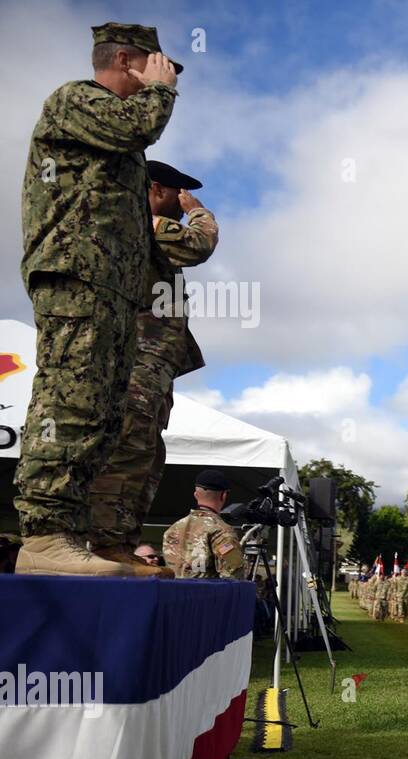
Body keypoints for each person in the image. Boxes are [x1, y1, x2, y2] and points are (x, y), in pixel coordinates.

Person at [14, 22, 180, 576]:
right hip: (75, 276)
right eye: (157, 63)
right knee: (71, 400)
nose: (167, 73)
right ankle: (43, 537)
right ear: (127, 58)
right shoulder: (75, 101)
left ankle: (87, 538)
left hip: (112, 290)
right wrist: (160, 91)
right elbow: (140, 126)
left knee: (107, 416)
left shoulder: (121, 144)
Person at [87, 161, 217, 573]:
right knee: (129, 452)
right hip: (138, 364)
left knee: (145, 455)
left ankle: (121, 545)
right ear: (157, 189)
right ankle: (108, 546)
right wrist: (198, 212)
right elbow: (198, 245)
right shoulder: (144, 220)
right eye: (178, 193)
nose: (183, 202)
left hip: (151, 369)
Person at [161, 468, 244, 579]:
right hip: (205, 595)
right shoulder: (221, 531)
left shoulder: (172, 529)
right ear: (223, 496)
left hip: (173, 594)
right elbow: (234, 574)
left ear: (196, 494)